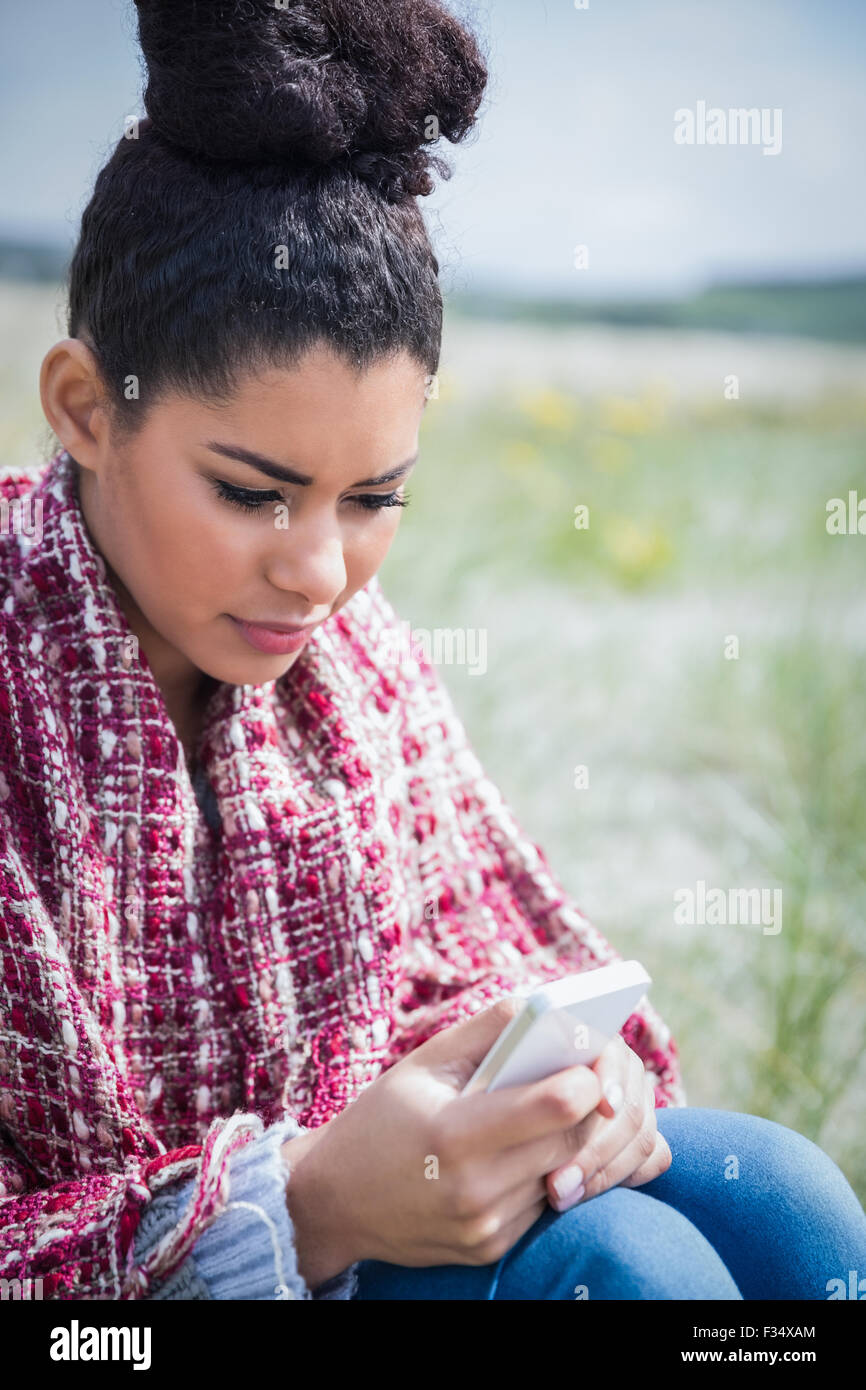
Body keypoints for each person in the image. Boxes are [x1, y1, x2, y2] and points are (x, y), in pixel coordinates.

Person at [0, 0, 864, 1303]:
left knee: (785, 1197)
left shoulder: (362, 662)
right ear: (84, 408)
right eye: (251, 491)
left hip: (391, 1209)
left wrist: (584, 1080)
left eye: (372, 497)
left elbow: (479, 973)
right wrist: (298, 1207)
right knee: (618, 1266)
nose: (319, 571)